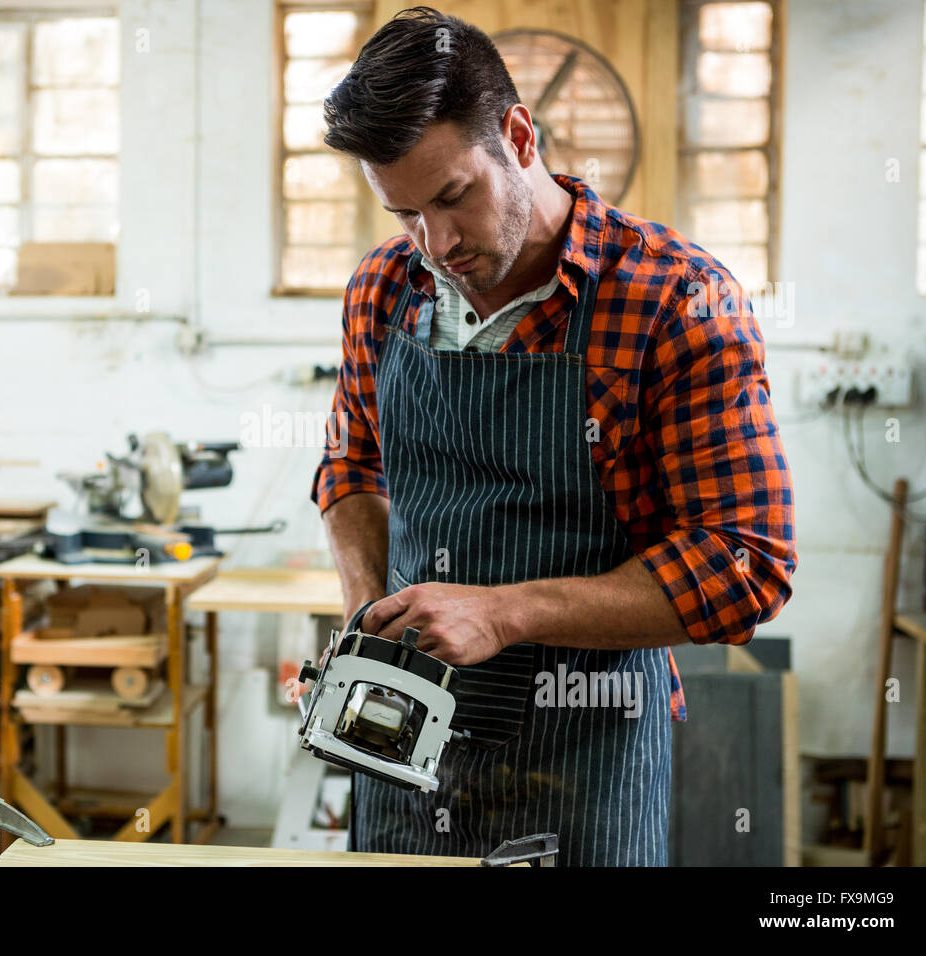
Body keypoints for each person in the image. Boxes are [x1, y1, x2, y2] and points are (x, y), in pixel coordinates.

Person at [311, 6, 796, 865]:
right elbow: (350, 468)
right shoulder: (384, 290)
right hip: (403, 733)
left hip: (587, 747)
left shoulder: (674, 299)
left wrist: (507, 612)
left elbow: (745, 564)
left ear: (520, 136)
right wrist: (366, 623)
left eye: (455, 197)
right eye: (405, 214)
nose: (438, 243)